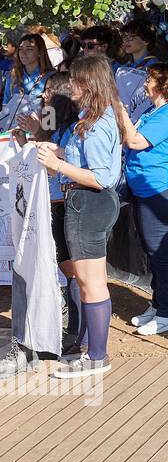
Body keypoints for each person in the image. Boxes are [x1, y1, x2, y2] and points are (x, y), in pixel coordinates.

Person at [34, 56, 123, 378]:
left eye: (76, 80)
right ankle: (90, 349)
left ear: (90, 83)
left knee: (92, 282)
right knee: (86, 281)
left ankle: (97, 356)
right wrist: (58, 154)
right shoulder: (91, 118)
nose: (71, 85)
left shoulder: (98, 123)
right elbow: (80, 159)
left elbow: (100, 177)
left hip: (90, 201)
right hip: (83, 201)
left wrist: (59, 166)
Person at [1, 74, 78, 378]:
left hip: (58, 204)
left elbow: (53, 152)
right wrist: (29, 138)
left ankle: (71, 333)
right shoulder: (51, 117)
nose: (43, 98)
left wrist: (38, 137)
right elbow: (41, 146)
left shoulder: (68, 123)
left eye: (48, 93)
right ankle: (43, 337)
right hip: (38, 205)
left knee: (70, 272)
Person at [115, 64, 168, 336]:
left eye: (149, 79)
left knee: (163, 253)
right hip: (145, 190)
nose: (145, 83)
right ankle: (159, 305)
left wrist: (120, 109)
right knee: (152, 251)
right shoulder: (151, 110)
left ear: (163, 84)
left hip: (160, 191)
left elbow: (135, 142)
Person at [0, 33, 53, 130]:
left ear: (40, 52)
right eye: (20, 49)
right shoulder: (12, 76)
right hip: (12, 132)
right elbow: (5, 106)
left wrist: (45, 136)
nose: (23, 53)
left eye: (29, 49)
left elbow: (51, 112)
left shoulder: (52, 77)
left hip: (39, 133)